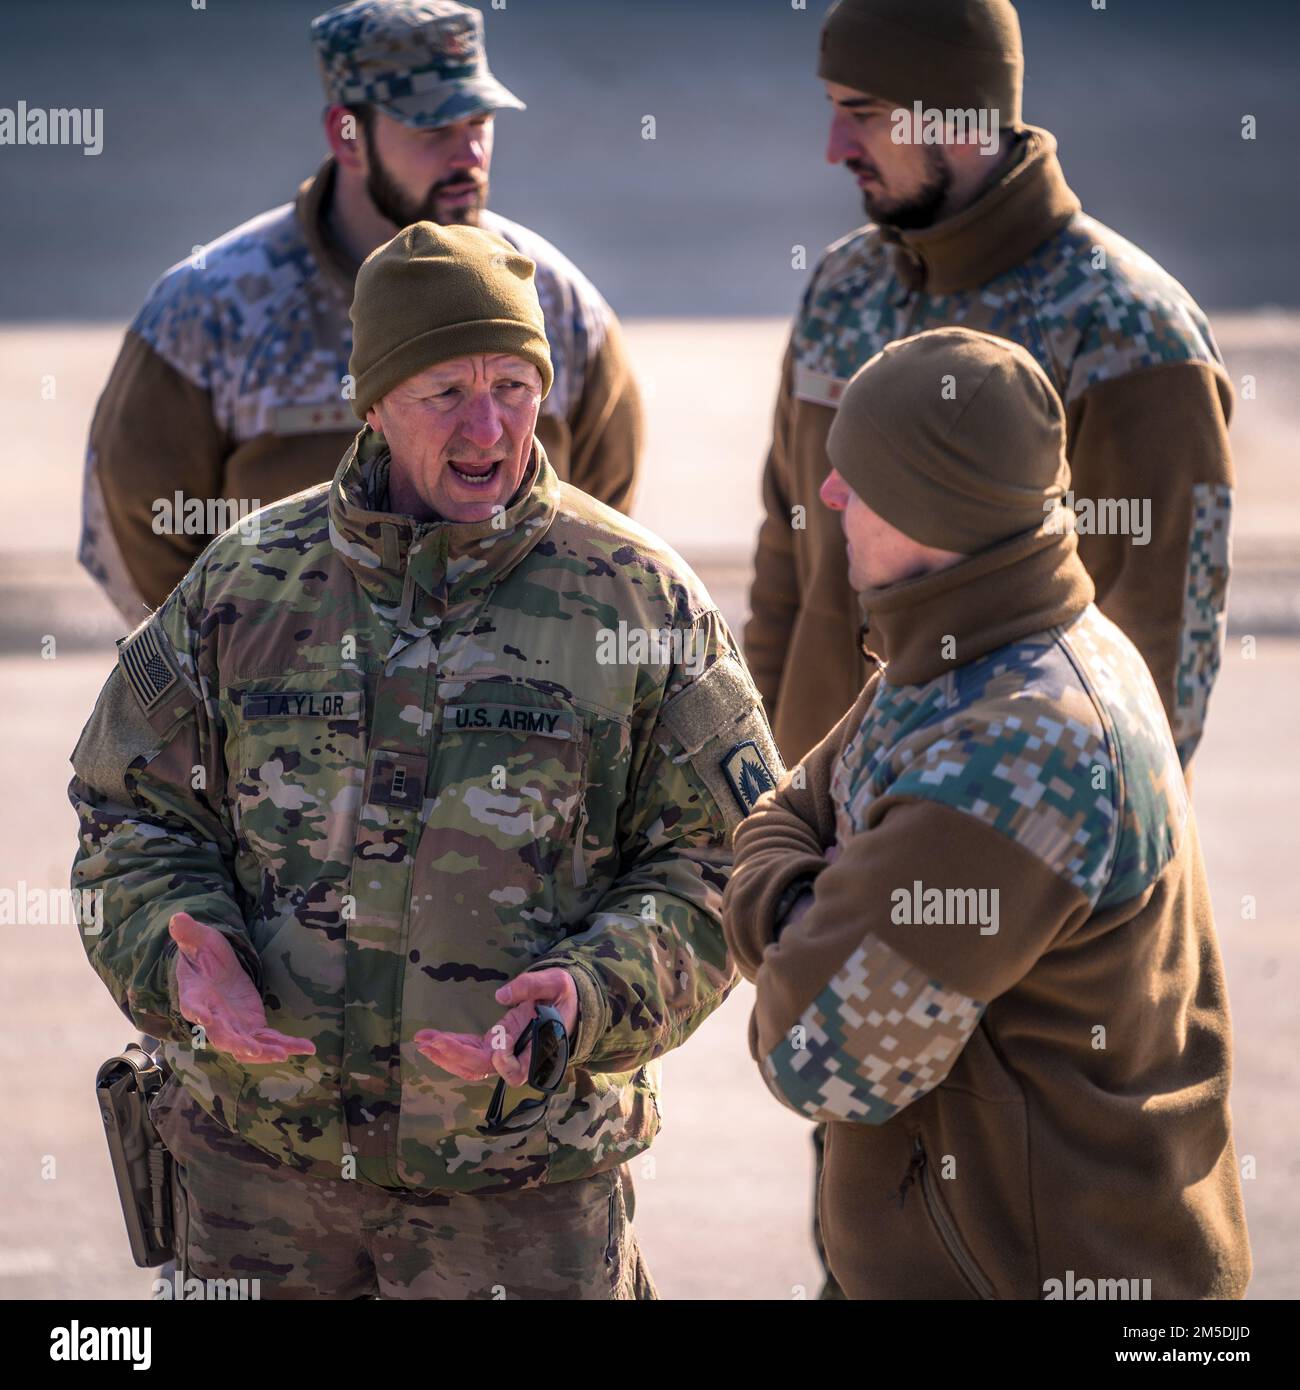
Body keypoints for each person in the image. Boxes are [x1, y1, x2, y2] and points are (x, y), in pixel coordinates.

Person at [70, 221, 780, 1299]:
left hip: (520, 1197)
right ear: (371, 405)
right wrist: (180, 963)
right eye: (443, 390)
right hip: (260, 1187)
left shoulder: (638, 601)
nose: (487, 425)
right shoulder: (245, 587)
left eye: (514, 382)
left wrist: (591, 994)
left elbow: (725, 861)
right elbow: (130, 816)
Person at [724, 328, 1251, 1300]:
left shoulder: (1015, 744)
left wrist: (778, 896)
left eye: (858, 475)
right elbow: (790, 798)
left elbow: (818, 1058)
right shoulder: (966, 654)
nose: (830, 494)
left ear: (934, 506)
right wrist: (823, 895)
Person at [747, 0, 1233, 773]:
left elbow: (1158, 658)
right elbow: (786, 561)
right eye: (834, 109)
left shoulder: (1128, 332)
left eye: (864, 114)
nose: (836, 146)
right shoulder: (845, 283)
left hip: (994, 834)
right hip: (810, 841)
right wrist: (758, 798)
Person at [80, 0, 641, 624]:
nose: (470, 155)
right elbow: (135, 526)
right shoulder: (213, 313)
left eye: (479, 121)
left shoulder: (557, 303)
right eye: (433, 128)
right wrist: (231, 673)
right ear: (347, 134)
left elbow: (602, 526)